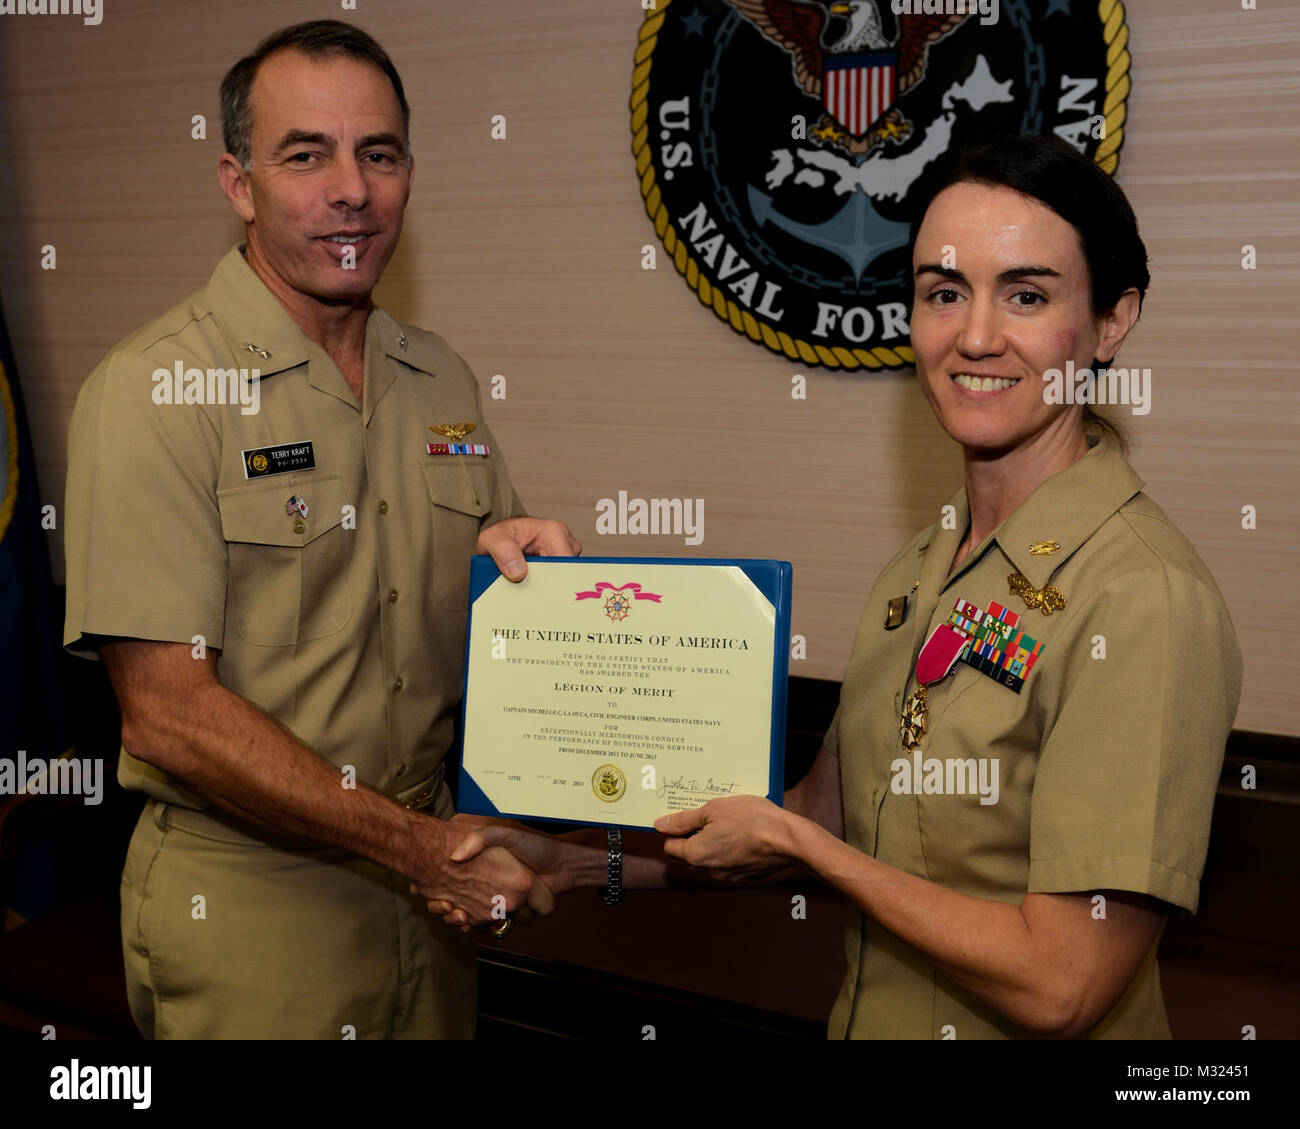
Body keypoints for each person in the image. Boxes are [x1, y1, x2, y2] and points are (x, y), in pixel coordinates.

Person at [439, 135, 1243, 1039]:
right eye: (944, 292)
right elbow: (817, 815)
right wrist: (571, 859)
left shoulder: (1143, 599)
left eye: (1026, 294)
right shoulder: (919, 571)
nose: (976, 335)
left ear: (1110, 322)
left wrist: (806, 848)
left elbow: (1064, 984)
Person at [62, 19, 577, 1039]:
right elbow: (168, 715)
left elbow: (484, 603)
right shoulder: (156, 391)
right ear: (238, 183)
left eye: (377, 154)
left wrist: (529, 581)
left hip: (431, 903)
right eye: (307, 155)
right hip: (251, 912)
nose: (352, 188)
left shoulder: (442, 379)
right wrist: (419, 849)